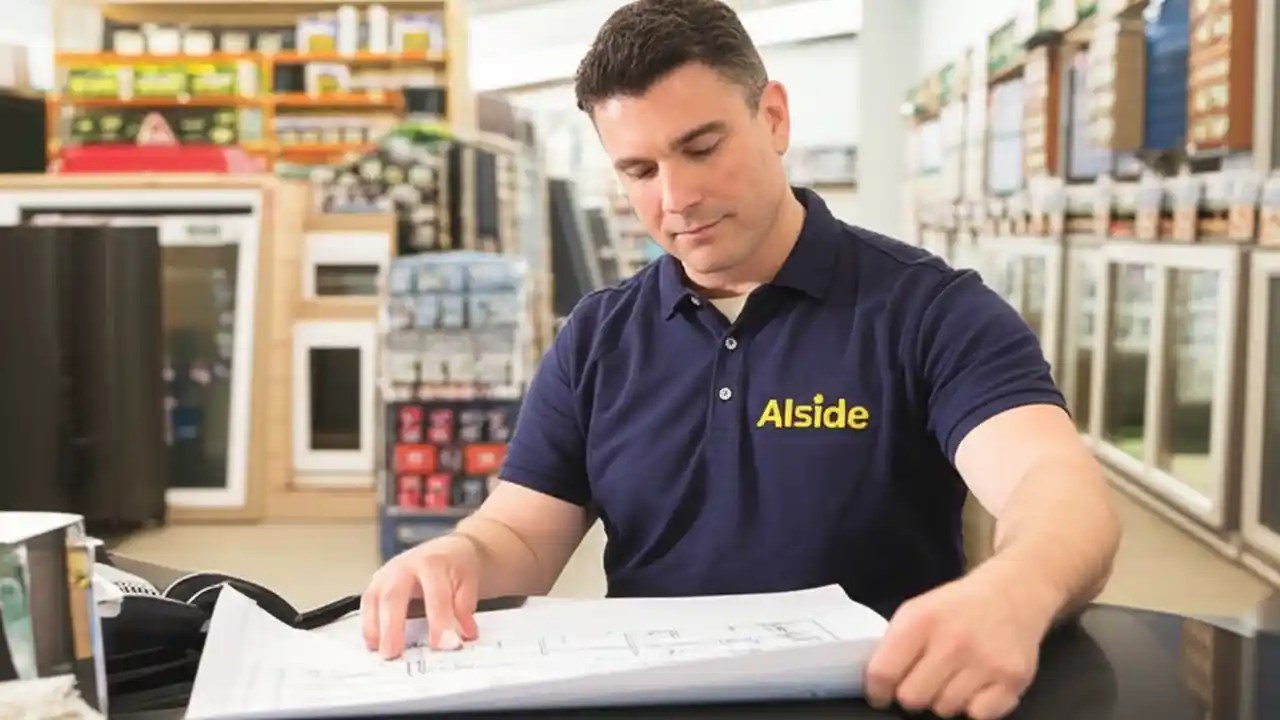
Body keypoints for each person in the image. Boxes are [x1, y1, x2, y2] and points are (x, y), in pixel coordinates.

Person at [361, 1, 1122, 717]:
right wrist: (457, 557)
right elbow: (521, 537)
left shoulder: (927, 311)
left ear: (774, 116)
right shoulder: (597, 337)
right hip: (654, 697)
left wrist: (1014, 590)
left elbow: (1053, 486)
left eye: (701, 147)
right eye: (640, 171)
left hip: (882, 696)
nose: (678, 196)